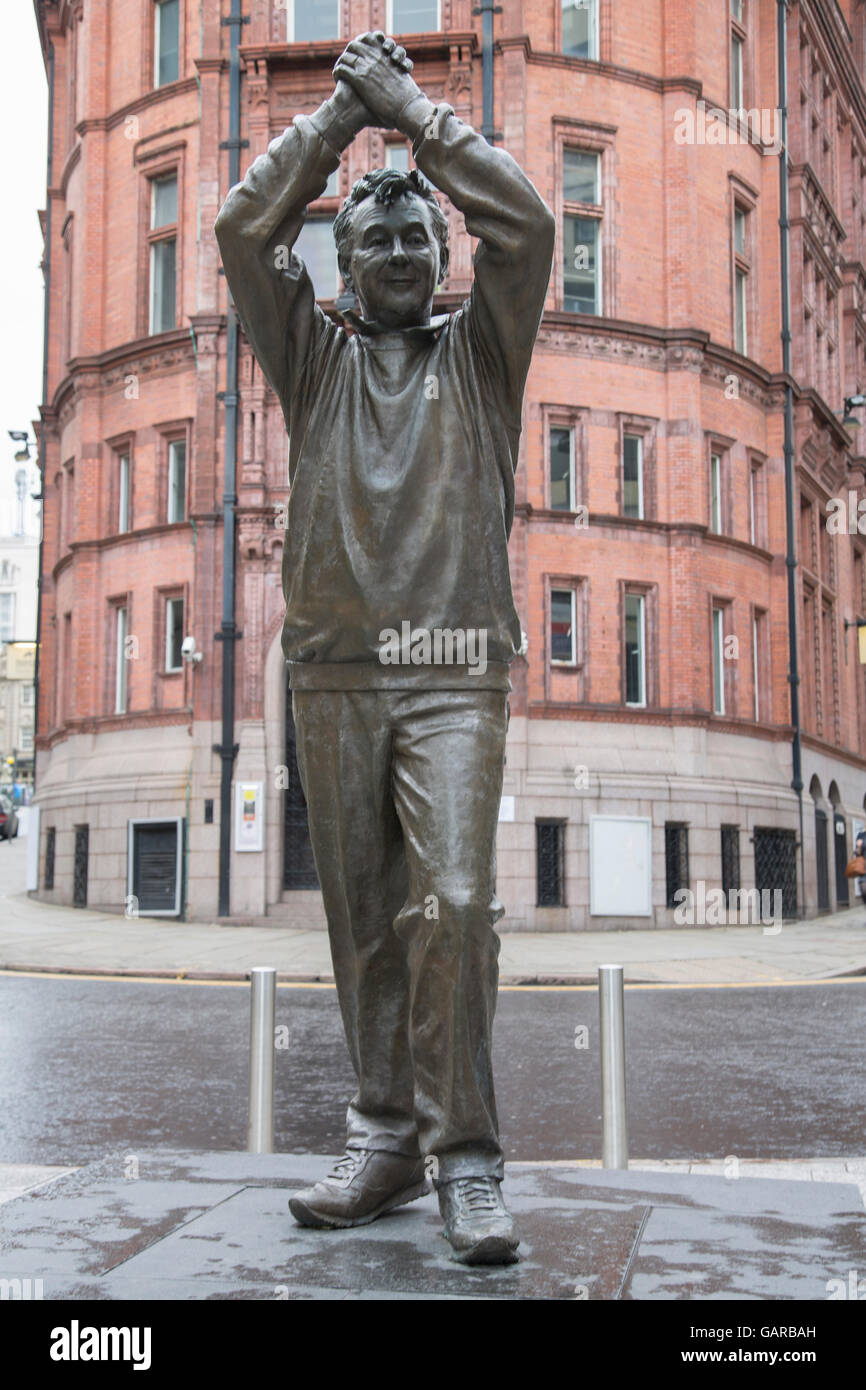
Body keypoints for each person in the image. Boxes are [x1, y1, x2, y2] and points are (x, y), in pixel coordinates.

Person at [215, 31, 554, 1265]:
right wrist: (329, 125)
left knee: (450, 904)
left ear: (440, 261)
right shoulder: (312, 361)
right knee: (361, 925)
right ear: (344, 269)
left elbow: (523, 223)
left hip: (458, 664)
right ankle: (383, 1134)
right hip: (334, 669)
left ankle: (465, 1154)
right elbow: (240, 233)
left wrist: (408, 114)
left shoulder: (484, 357)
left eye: (419, 237)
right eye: (378, 241)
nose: (405, 251)